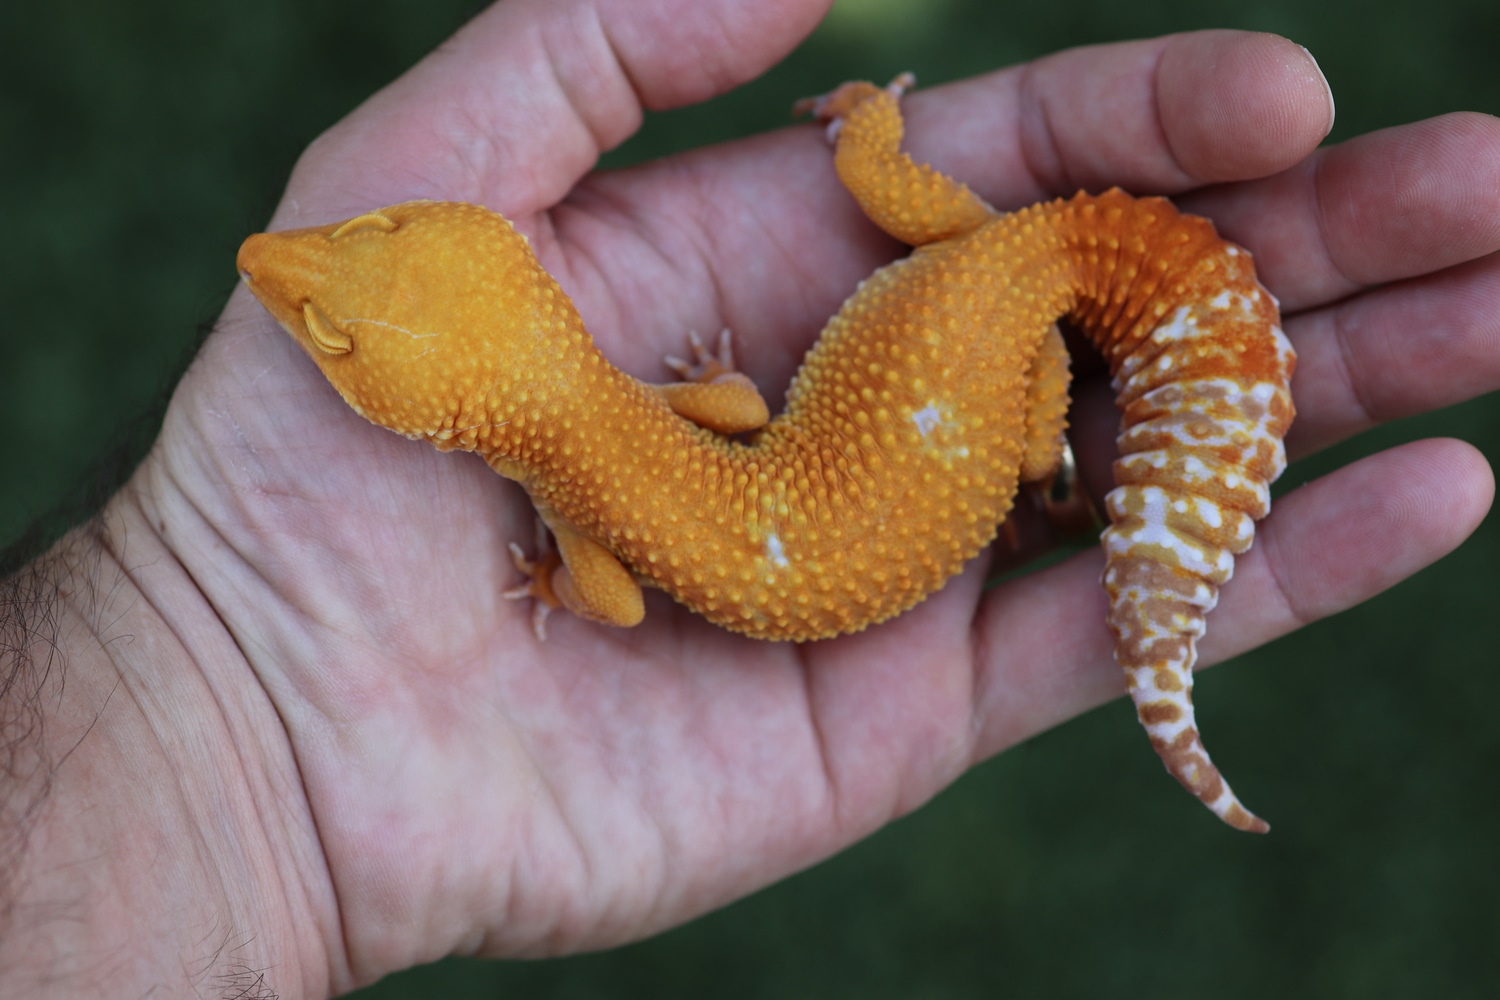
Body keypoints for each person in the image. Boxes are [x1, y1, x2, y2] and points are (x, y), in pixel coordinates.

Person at [1, 0, 1495, 994]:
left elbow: (623, 578)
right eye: (344, 294)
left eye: (346, 281)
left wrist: (538, 577)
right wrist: (876, 156)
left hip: (970, 378)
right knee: (994, 296)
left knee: (1017, 327)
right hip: (977, 339)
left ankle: (1050, 456)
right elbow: (707, 425)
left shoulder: (578, 474)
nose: (280, 273)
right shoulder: (590, 417)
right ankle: (941, 258)